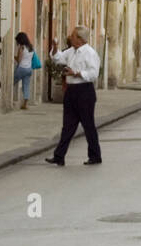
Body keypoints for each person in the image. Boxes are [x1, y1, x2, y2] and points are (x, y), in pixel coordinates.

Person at [44, 25, 103, 166]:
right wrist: (55, 47)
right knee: (68, 126)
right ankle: (59, 156)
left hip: (84, 91)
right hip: (71, 91)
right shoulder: (71, 51)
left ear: (80, 39)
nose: (71, 37)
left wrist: (76, 73)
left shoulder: (90, 53)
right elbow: (58, 59)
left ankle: (95, 156)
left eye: (74, 35)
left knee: (88, 125)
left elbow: (94, 74)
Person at [13, 32, 36, 110]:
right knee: (26, 86)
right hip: (29, 69)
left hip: (21, 68)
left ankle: (10, 99)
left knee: (12, 81)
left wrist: (14, 57)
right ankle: (25, 104)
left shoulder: (22, 47)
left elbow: (19, 60)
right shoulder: (31, 48)